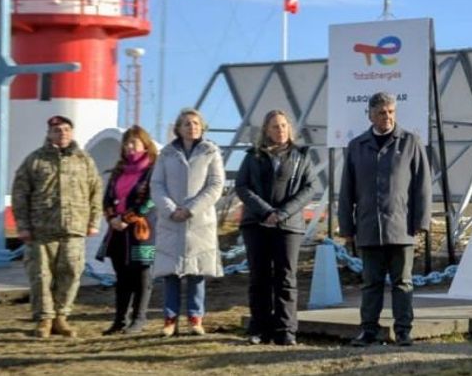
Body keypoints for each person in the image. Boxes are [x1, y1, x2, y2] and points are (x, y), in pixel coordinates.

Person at [338, 92, 431, 348]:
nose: (387, 117)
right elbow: (347, 189)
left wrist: (421, 221)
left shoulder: (411, 142)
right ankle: (369, 330)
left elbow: (422, 185)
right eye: (381, 112)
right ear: (369, 114)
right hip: (368, 227)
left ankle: (403, 331)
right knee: (371, 284)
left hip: (402, 227)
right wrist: (346, 226)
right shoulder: (357, 146)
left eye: (391, 112)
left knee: (403, 282)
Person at [11, 114, 102, 339]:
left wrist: (94, 221)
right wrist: (23, 225)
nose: (62, 134)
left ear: (72, 132)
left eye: (66, 130)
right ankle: (44, 318)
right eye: (57, 130)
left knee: (71, 272)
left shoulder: (84, 159)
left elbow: (96, 190)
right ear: (49, 133)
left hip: (74, 228)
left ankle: (61, 316)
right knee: (41, 275)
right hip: (41, 229)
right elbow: (20, 193)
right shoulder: (34, 160)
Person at [234, 109, 320, 346]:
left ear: (289, 128)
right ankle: (260, 329)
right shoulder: (253, 156)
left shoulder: (301, 156)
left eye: (283, 126)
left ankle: (285, 331)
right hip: (256, 224)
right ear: (266, 130)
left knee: (285, 278)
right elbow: (242, 186)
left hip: (288, 226)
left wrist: (282, 213)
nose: (280, 130)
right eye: (275, 126)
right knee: (259, 278)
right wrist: (266, 211)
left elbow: (310, 187)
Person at [151, 108, 224, 337]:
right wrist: (171, 209)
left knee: (196, 272)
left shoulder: (210, 151)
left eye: (195, 123)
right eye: (186, 124)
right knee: (171, 273)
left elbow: (215, 184)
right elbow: (157, 184)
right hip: (171, 221)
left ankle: (195, 318)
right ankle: (170, 319)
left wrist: (191, 209)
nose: (191, 127)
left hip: (199, 221)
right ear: (178, 128)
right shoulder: (166, 154)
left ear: (202, 126)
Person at [95, 125, 158, 335]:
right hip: (117, 231)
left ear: (144, 144)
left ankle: (139, 319)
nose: (130, 147)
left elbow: (150, 200)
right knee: (122, 278)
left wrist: (127, 218)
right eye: (127, 143)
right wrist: (112, 217)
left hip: (142, 232)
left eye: (134, 142)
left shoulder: (152, 170)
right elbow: (108, 198)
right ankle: (119, 319)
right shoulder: (118, 171)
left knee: (142, 276)